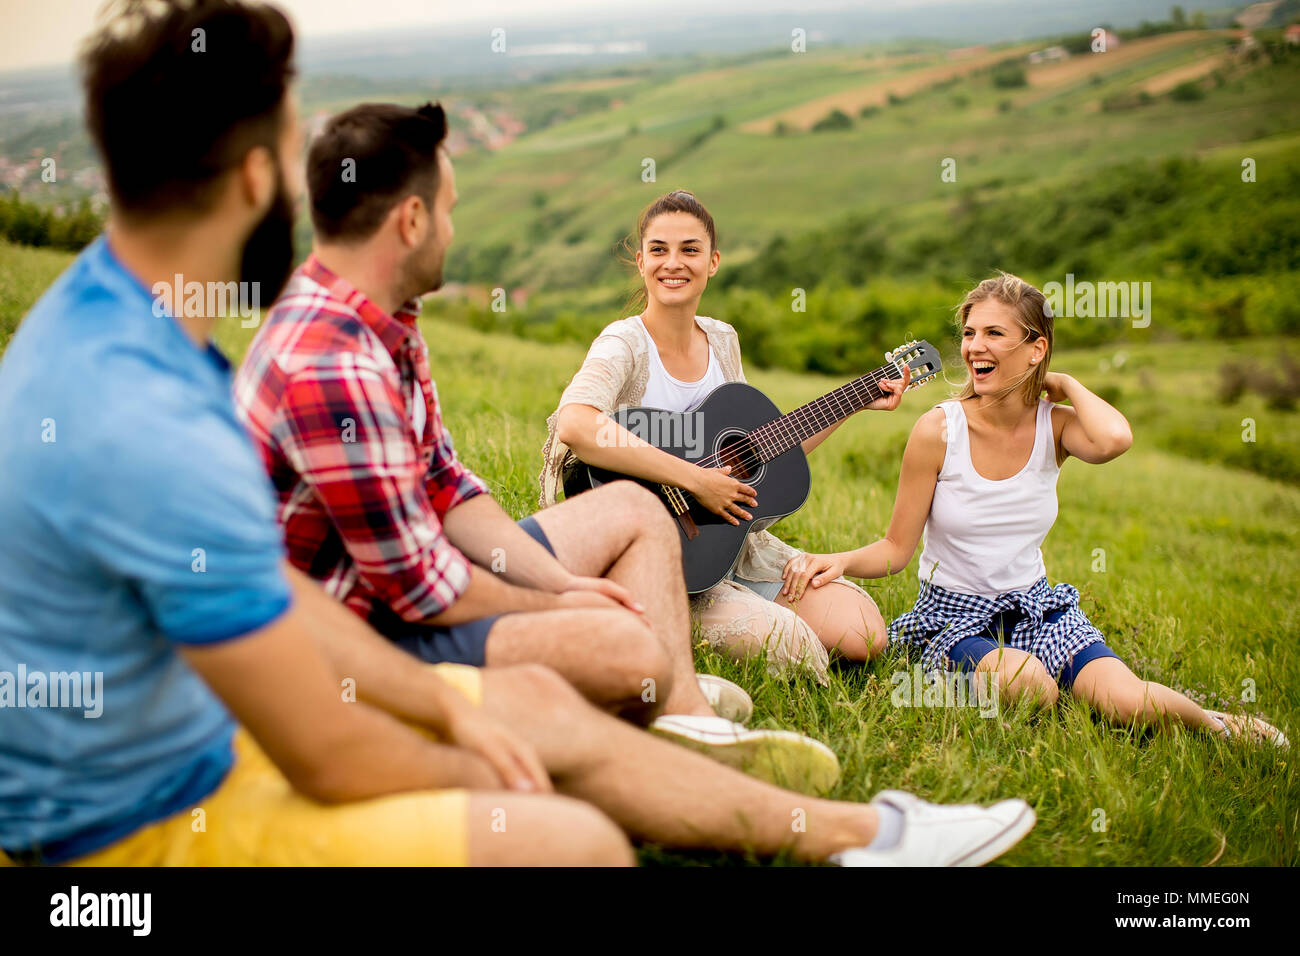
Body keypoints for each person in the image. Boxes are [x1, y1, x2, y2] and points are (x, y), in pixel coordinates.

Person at [0, 0, 1042, 868]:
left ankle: (864, 835)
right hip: (136, 826)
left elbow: (292, 577)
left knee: (546, 703)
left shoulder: (122, 330)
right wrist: (486, 733)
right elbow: (323, 736)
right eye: (291, 138)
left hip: (233, 707)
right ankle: (716, 777)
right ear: (258, 180)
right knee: (574, 837)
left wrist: (486, 700)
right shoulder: (157, 410)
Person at [233, 102, 844, 790]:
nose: (454, 228)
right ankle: (655, 716)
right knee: (628, 648)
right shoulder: (332, 363)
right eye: (450, 210)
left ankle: (684, 716)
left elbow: (448, 484)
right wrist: (566, 608)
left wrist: (561, 579)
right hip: (363, 636)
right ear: (411, 220)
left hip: (424, 581)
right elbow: (419, 589)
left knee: (635, 517)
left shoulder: (392, 325)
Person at [781, 273, 1289, 747]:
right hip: (953, 618)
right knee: (1031, 690)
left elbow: (1115, 438)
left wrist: (1064, 385)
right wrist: (842, 561)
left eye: (995, 333)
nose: (974, 346)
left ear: (1034, 350)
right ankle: (959, 675)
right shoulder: (939, 431)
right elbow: (896, 549)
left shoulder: (1058, 425)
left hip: (1038, 610)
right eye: (969, 332)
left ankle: (1221, 724)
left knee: (1129, 703)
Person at [543, 189, 906, 685]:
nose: (674, 263)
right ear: (641, 259)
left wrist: (857, 401)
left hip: (726, 543)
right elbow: (577, 424)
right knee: (795, 648)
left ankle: (737, 599)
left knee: (863, 634)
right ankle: (645, 616)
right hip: (654, 555)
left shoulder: (722, 339)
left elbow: (760, 454)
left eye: (690, 250)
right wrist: (694, 480)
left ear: (713, 262)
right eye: (659, 249)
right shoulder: (624, 342)